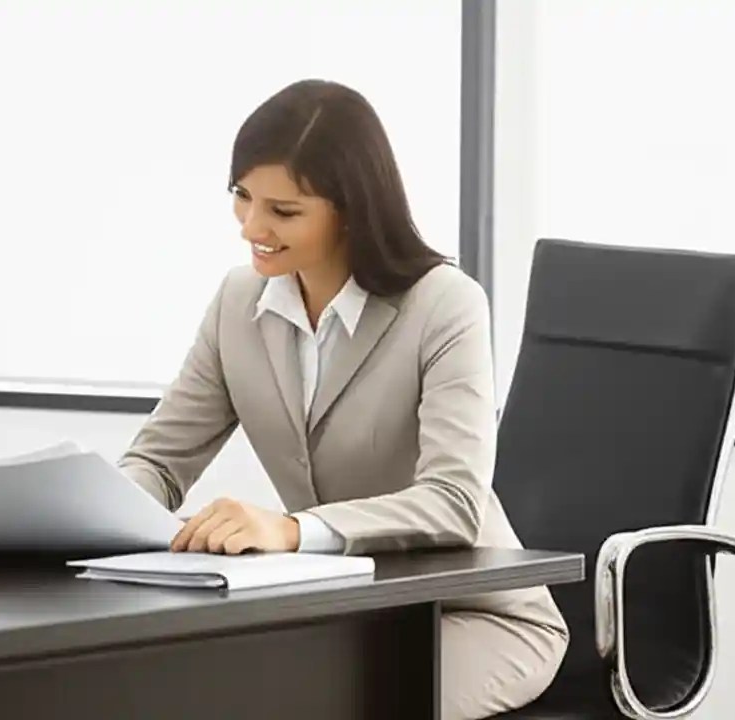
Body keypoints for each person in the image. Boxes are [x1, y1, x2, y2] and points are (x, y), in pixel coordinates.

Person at [117, 79, 568, 719]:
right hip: (341, 614)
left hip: (476, 616)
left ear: (351, 208)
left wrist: (291, 529)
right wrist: (67, 518)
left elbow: (454, 501)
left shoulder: (444, 305)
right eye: (242, 197)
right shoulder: (238, 303)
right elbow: (159, 464)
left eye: (284, 211)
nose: (252, 227)